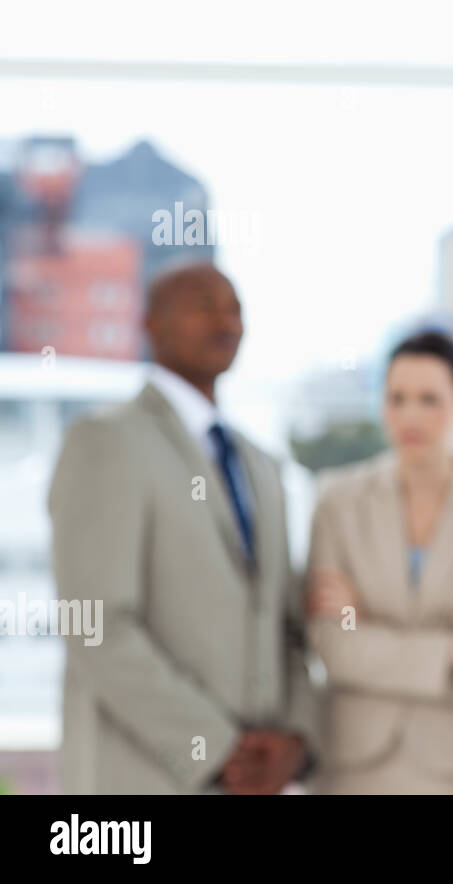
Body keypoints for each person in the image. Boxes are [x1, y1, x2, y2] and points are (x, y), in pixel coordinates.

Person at [48, 259, 321, 794]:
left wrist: (296, 737)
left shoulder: (262, 465)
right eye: (203, 305)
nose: (225, 321)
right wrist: (215, 747)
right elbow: (96, 624)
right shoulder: (105, 442)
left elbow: (285, 625)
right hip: (142, 784)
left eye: (236, 309)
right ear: (150, 324)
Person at [304, 330, 453, 794]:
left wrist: (370, 634)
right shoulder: (336, 504)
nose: (410, 416)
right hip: (351, 766)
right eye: (396, 399)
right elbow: (332, 647)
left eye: (429, 400)